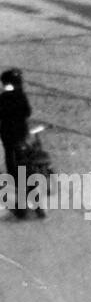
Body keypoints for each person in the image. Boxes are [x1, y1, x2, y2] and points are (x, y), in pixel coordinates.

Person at [0, 69, 32, 219]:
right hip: (19, 134)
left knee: (13, 163)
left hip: (9, 135)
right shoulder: (20, 96)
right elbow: (27, 112)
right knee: (20, 161)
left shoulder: (4, 97)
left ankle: (19, 197)